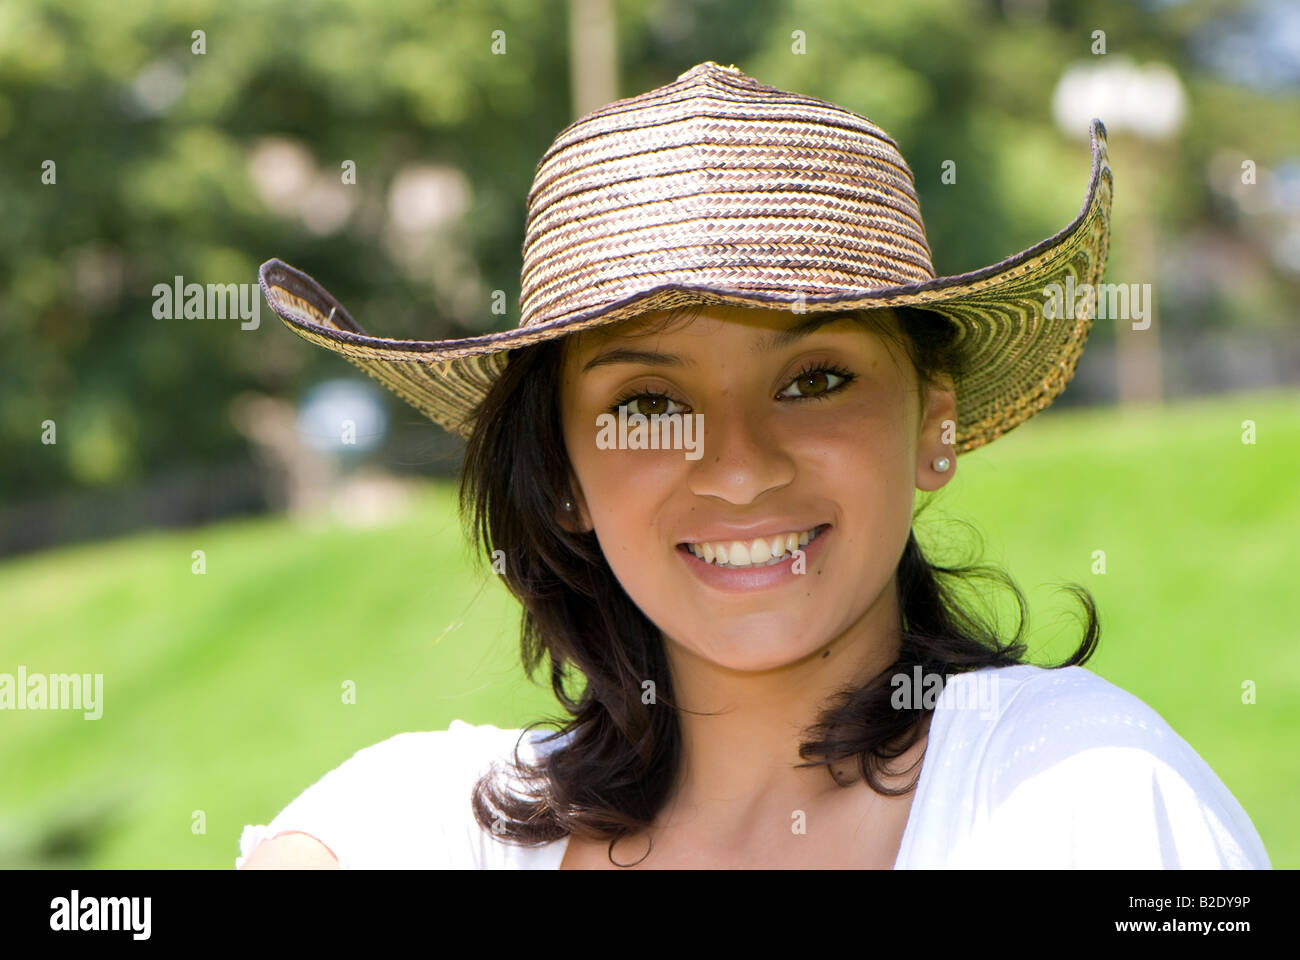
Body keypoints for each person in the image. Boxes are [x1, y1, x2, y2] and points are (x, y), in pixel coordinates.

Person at [237, 62, 1270, 869]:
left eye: (814, 379)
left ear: (932, 426)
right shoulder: (421, 827)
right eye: (648, 403)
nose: (736, 469)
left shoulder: (1081, 793)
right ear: (559, 472)